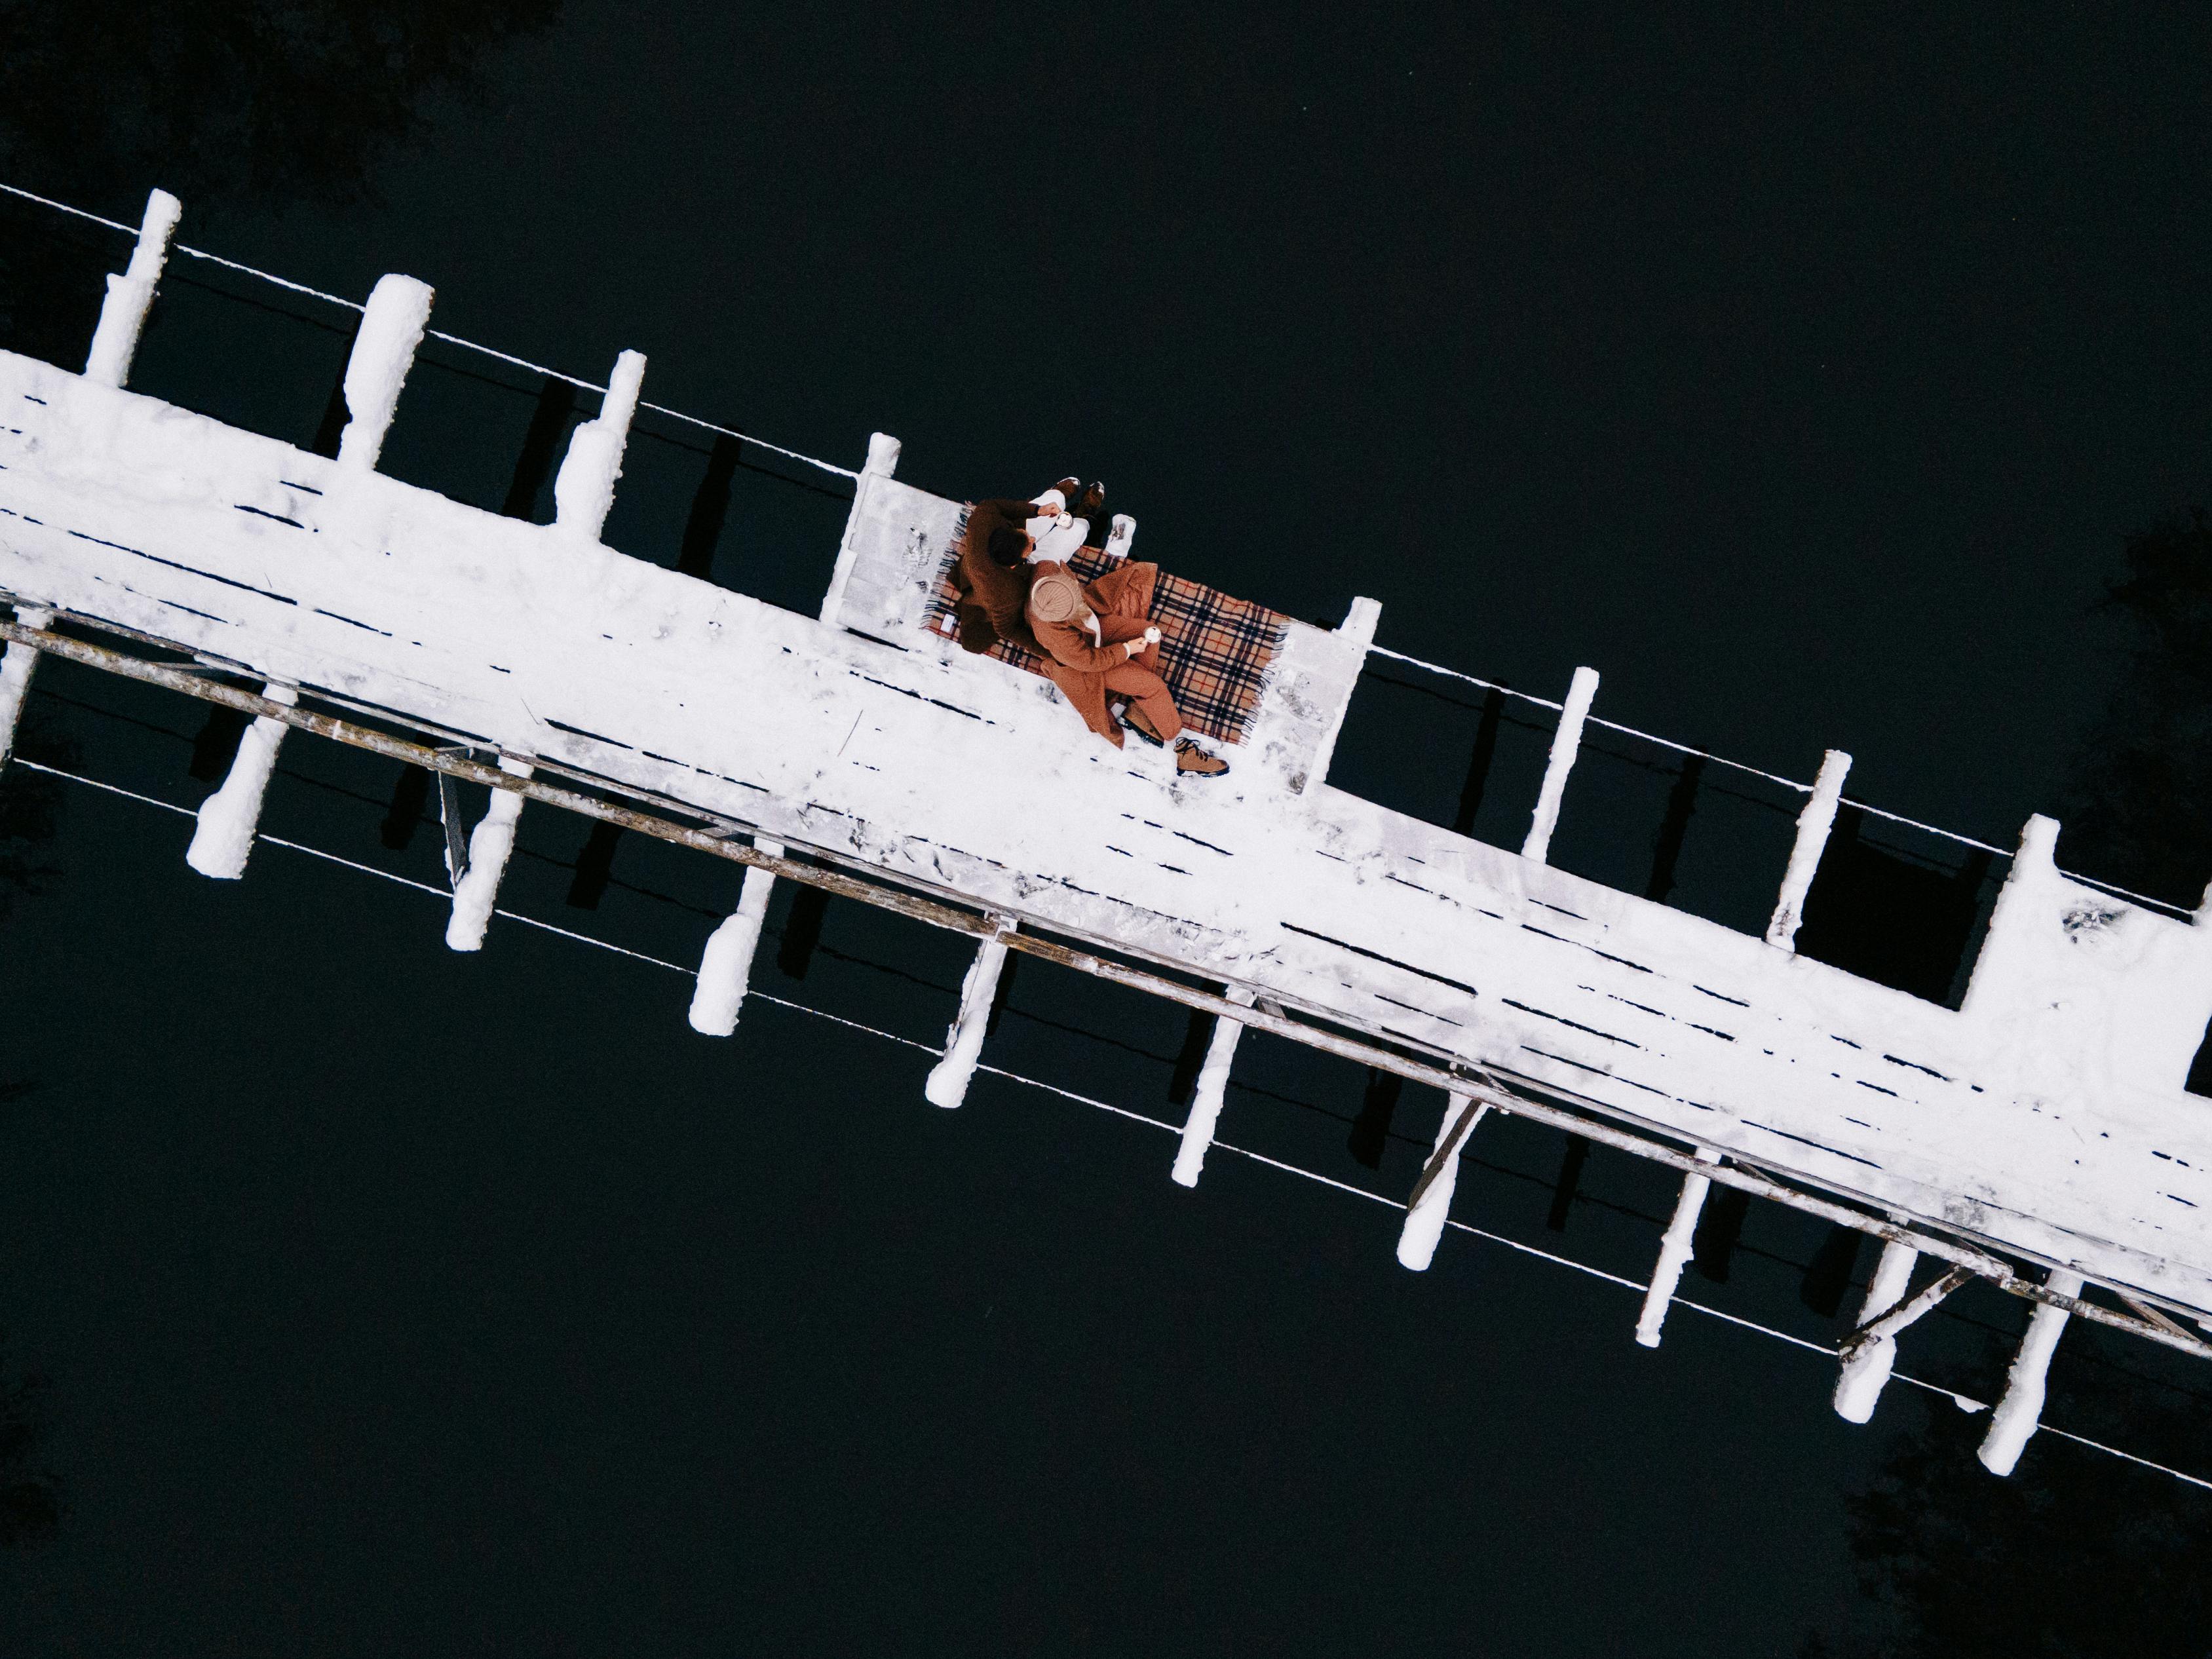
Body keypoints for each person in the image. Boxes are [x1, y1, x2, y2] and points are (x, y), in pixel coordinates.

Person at [1024, 559, 1230, 778]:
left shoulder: (1046, 568)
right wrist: (1126, 650)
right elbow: (1091, 662)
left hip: (1090, 631)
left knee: (1148, 631)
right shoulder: (1055, 637)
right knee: (1154, 687)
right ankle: (1180, 747)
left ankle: (1140, 705)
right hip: (1088, 666)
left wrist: (1127, 647)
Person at [949, 497, 1046, 654]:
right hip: (997, 581)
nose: (1032, 538)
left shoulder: (981, 522)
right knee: (1071, 536)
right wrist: (1047, 652)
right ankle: (1084, 518)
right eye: (1030, 543)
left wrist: (1037, 510)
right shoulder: (1007, 595)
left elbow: (991, 505)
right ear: (1014, 565)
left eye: (1026, 537)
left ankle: (1057, 495)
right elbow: (1007, 630)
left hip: (978, 568)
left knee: (1051, 504)